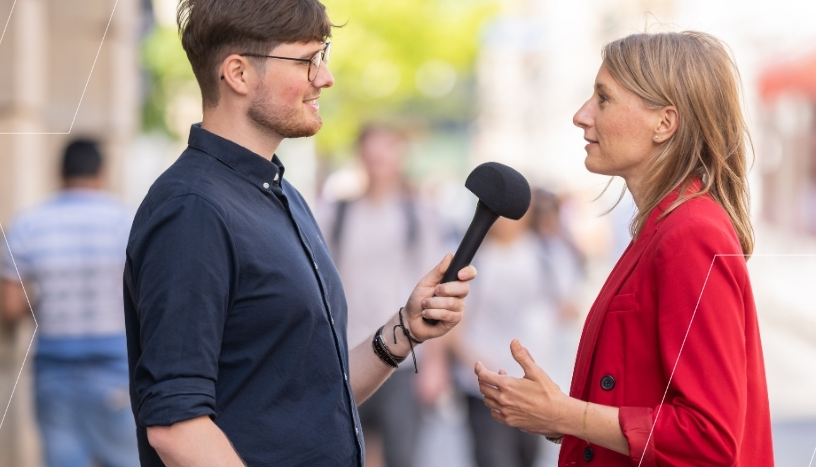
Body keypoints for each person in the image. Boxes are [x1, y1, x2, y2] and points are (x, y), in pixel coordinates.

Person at [122, 0, 474, 467]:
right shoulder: (193, 209)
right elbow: (176, 426)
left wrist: (405, 330)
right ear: (239, 74)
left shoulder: (281, 194)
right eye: (307, 59)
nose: (325, 77)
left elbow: (311, 394)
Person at [473, 31, 774, 466]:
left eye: (604, 98)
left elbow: (709, 439)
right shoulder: (662, 227)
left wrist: (566, 413)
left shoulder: (690, 233)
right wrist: (556, 417)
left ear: (664, 123)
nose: (581, 116)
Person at [0, 138, 140, 467]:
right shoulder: (128, 221)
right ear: (103, 173)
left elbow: (8, 308)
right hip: (115, 372)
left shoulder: (28, 224)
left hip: (54, 373)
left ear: (58, 173)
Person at [316, 124, 448, 467]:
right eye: (372, 153)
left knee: (401, 456)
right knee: (348, 454)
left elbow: (438, 292)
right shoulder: (337, 213)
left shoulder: (419, 214)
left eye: (386, 152)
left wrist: (435, 366)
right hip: (347, 353)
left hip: (404, 359)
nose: (379, 161)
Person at [448, 197, 581, 467]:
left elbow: (571, 306)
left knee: (528, 458)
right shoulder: (473, 259)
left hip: (535, 384)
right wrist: (481, 367)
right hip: (486, 387)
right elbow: (454, 327)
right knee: (493, 459)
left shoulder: (548, 253)